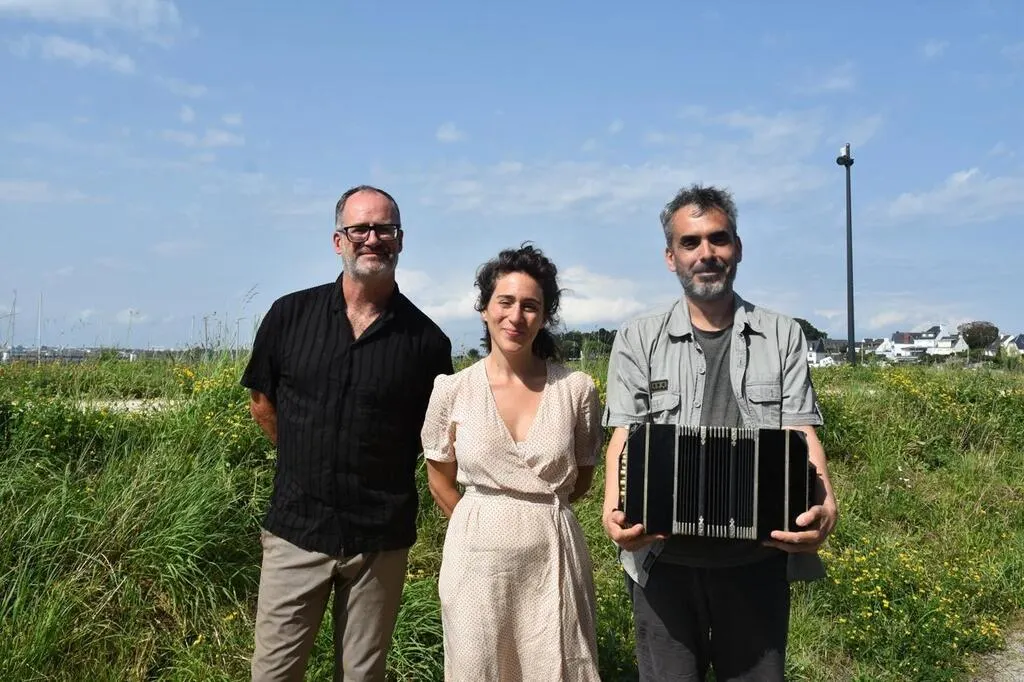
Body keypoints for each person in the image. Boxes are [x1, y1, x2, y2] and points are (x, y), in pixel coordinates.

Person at [600, 184, 839, 681]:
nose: (706, 254)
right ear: (671, 257)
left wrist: (826, 501)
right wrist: (611, 508)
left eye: (718, 239)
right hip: (662, 560)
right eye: (690, 243)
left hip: (757, 557)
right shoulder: (637, 337)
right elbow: (624, 434)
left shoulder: (783, 334)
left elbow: (800, 428)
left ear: (738, 248)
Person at [241, 185, 454, 682]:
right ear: (338, 240)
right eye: (360, 228)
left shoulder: (427, 342)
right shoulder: (288, 316)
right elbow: (262, 403)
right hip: (297, 528)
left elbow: (436, 437)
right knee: (274, 672)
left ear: (400, 241)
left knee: (362, 675)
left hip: (378, 539)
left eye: (384, 229)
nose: (372, 238)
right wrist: (306, 460)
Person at [420, 243, 604, 681]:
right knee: (477, 668)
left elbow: (580, 479)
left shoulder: (576, 390)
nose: (516, 317)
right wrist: (482, 522)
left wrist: (531, 515)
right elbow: (439, 481)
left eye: (530, 306)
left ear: (544, 316)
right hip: (475, 564)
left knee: (557, 665)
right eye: (505, 302)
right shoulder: (452, 390)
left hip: (552, 555)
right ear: (484, 308)